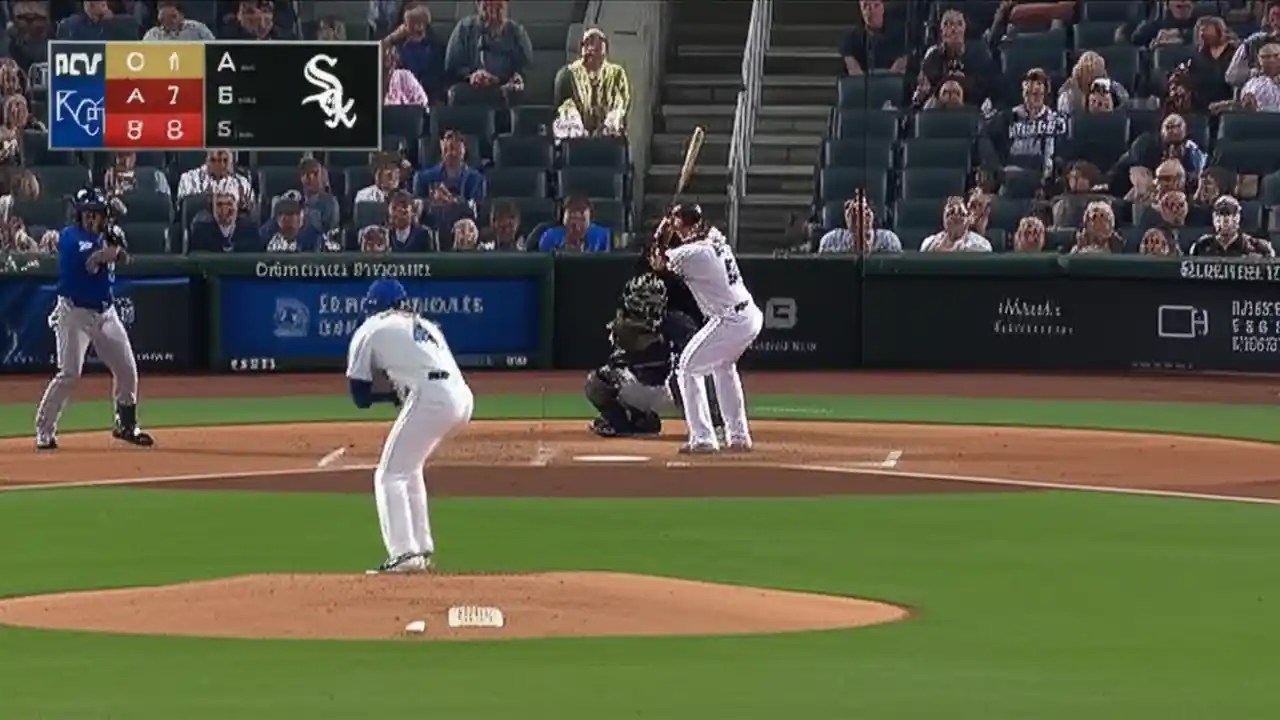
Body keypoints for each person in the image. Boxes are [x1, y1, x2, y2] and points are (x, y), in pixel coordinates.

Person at [346, 277, 474, 573]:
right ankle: (420, 548)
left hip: (432, 398)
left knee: (389, 475)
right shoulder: (425, 325)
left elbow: (359, 396)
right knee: (410, 468)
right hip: (462, 398)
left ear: (372, 306)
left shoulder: (370, 328)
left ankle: (403, 555)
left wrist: (388, 394)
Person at [34, 188, 154, 451]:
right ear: (78, 215)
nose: (91, 219)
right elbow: (93, 260)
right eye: (87, 214)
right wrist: (112, 248)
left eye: (96, 214)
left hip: (105, 313)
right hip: (74, 315)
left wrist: (116, 241)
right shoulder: (69, 237)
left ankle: (126, 425)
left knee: (127, 370)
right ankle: (44, 430)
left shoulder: (107, 234)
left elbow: (125, 257)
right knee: (70, 374)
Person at [647, 203, 761, 454]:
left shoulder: (693, 254)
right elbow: (687, 241)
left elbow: (657, 263)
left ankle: (703, 438)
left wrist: (660, 234)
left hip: (730, 319)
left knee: (687, 368)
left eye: (681, 223)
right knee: (724, 368)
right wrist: (673, 227)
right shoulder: (714, 236)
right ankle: (738, 435)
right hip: (749, 315)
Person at [584, 272, 725, 439]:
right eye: (640, 299)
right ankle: (632, 423)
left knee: (695, 372)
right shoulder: (623, 326)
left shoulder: (678, 323)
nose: (645, 305)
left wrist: (672, 354)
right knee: (596, 383)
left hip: (671, 388)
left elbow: (700, 358)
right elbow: (618, 361)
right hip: (641, 384)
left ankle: (713, 424)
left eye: (649, 300)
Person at [553, 28, 631, 139]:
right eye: (587, 45)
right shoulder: (568, 74)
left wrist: (610, 123)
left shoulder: (617, 75)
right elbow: (565, 106)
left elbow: (620, 105)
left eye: (597, 46)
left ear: (605, 52)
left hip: (608, 140)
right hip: (576, 140)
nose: (591, 50)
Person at [1188, 195, 1276, 257]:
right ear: (1214, 218)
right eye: (1220, 214)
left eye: (1229, 214)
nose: (1224, 219)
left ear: (1237, 217)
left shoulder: (1258, 248)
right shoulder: (1201, 247)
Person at [538, 196, 610, 252]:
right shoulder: (550, 236)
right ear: (562, 218)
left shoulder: (603, 236)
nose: (577, 225)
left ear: (590, 219)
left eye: (582, 219)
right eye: (572, 219)